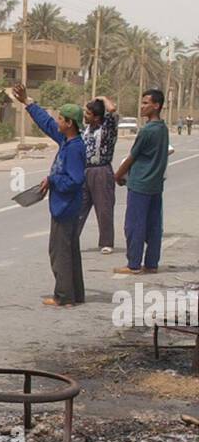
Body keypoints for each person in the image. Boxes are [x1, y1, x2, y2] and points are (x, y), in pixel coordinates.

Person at [10, 83, 86, 307]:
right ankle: (75, 294)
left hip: (65, 207)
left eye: (61, 119)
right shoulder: (67, 140)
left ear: (70, 123)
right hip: (67, 206)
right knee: (70, 250)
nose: (58, 122)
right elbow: (47, 124)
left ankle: (64, 297)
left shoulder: (73, 148)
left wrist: (53, 180)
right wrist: (28, 102)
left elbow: (75, 180)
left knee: (59, 251)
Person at [113, 89, 170, 274]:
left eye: (146, 103)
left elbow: (132, 157)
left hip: (140, 184)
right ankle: (151, 263)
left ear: (157, 105)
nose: (143, 106)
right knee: (153, 225)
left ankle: (134, 264)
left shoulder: (147, 131)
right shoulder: (163, 129)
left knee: (134, 225)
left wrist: (117, 175)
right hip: (155, 185)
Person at [78, 95, 118, 253]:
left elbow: (112, 110)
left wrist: (102, 98)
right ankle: (72, 239)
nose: (85, 116)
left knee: (104, 208)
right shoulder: (85, 130)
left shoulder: (107, 129)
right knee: (79, 207)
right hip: (85, 170)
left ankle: (106, 242)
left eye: (88, 113)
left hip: (101, 170)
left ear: (97, 117)